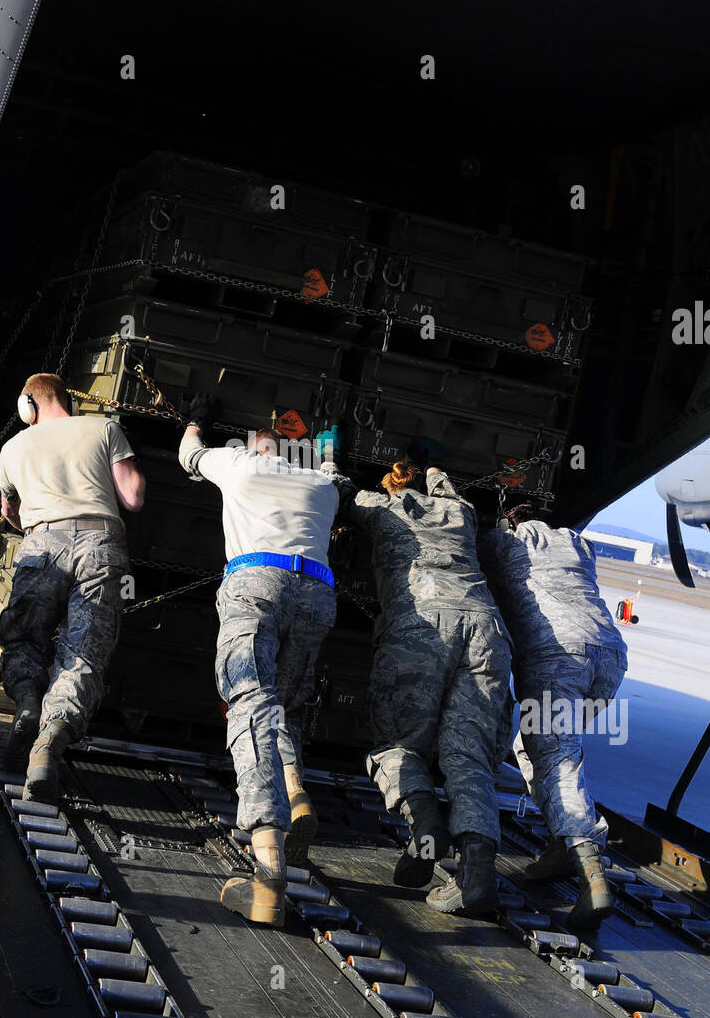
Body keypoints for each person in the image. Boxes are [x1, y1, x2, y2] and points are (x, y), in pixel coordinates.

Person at [179, 394, 339, 927]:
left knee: (250, 704)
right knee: (285, 707)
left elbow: (189, 455)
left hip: (256, 584)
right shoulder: (322, 485)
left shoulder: (238, 464)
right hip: (317, 594)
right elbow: (332, 466)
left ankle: (268, 870)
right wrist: (327, 446)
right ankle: (296, 792)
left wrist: (197, 418)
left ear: (251, 446)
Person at [338, 448, 513, 915]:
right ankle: (475, 874)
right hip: (486, 630)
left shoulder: (379, 508)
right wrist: (433, 468)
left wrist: (331, 460)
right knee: (468, 755)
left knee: (398, 745)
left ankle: (426, 826)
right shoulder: (460, 512)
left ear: (390, 487)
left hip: (422, 629)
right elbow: (448, 489)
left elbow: (334, 491)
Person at [0, 373, 145, 803]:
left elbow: (10, 511)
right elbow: (133, 497)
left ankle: (26, 701)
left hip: (42, 542)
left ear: (29, 405)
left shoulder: (12, 448)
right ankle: (48, 746)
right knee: (83, 652)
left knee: (23, 638)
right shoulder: (103, 428)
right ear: (67, 400)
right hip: (100, 544)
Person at [478, 503, 627, 930]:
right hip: (609, 655)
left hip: (557, 654)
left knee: (556, 761)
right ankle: (562, 849)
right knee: (538, 746)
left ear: (512, 521)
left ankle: (591, 875)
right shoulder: (579, 543)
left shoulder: (508, 539)